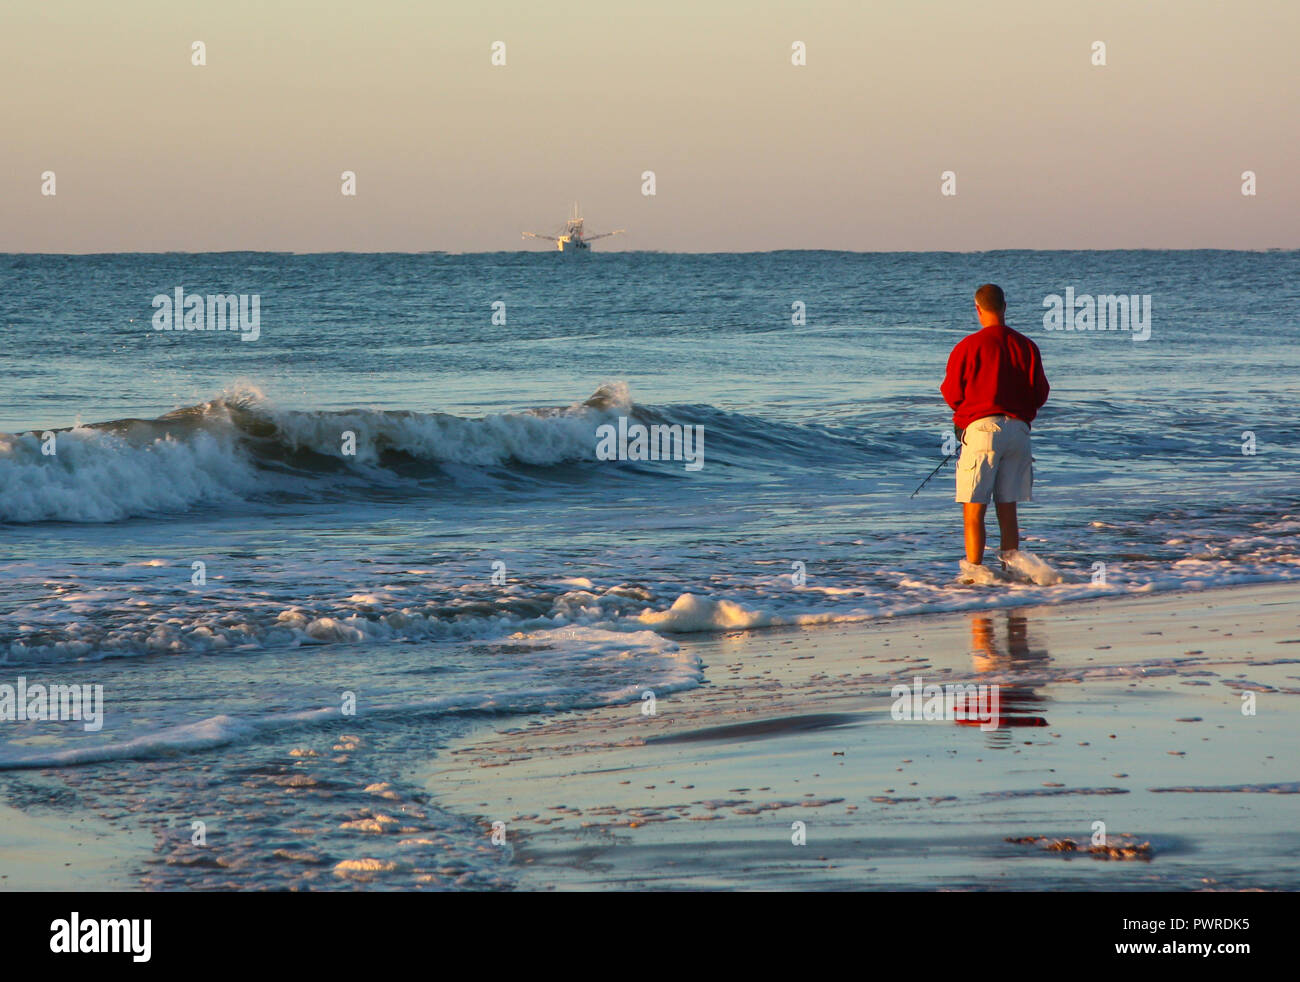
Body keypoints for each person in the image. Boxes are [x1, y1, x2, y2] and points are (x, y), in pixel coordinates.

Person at [940, 284, 1051, 583]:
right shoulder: (1026, 346)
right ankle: (1011, 574)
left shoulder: (968, 346)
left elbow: (952, 393)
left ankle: (973, 577)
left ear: (978, 309)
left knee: (974, 509)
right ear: (1005, 306)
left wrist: (967, 414)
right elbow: (1040, 393)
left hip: (983, 430)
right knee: (1008, 508)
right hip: (1018, 430)